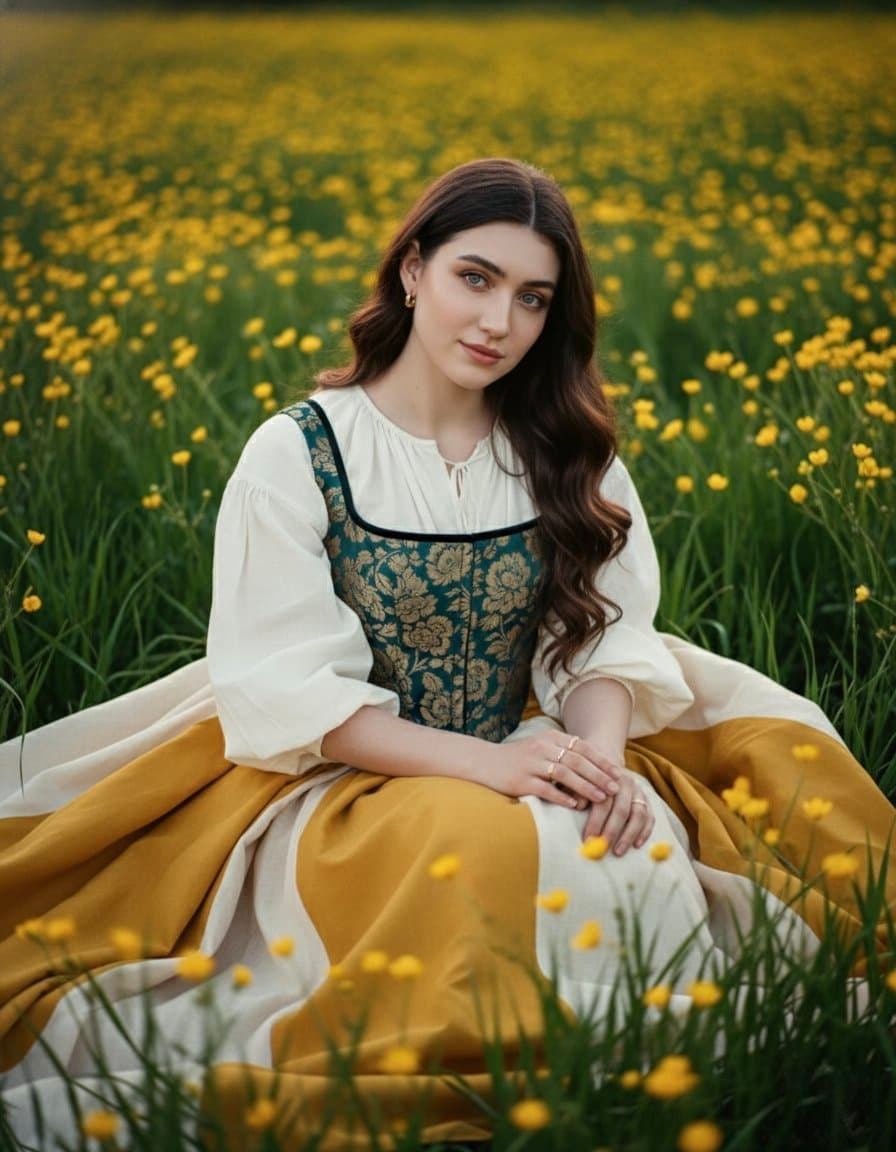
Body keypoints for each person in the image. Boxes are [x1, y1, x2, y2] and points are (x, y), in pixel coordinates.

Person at [1, 158, 893, 1150]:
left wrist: (592, 761)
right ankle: (470, 1070)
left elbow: (600, 638)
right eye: (475, 277)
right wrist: (493, 765)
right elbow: (292, 691)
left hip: (539, 735)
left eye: (530, 298)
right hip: (345, 768)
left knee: (620, 847)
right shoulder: (301, 451)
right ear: (412, 270)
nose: (498, 322)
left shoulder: (565, 445)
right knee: (475, 845)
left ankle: (604, 1086)